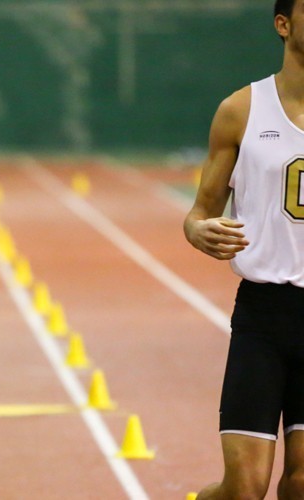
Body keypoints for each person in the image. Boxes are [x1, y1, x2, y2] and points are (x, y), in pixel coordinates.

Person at [184, 1, 304, 497]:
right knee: (245, 487)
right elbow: (199, 212)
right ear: (283, 24)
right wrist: (199, 232)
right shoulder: (242, 110)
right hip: (264, 314)